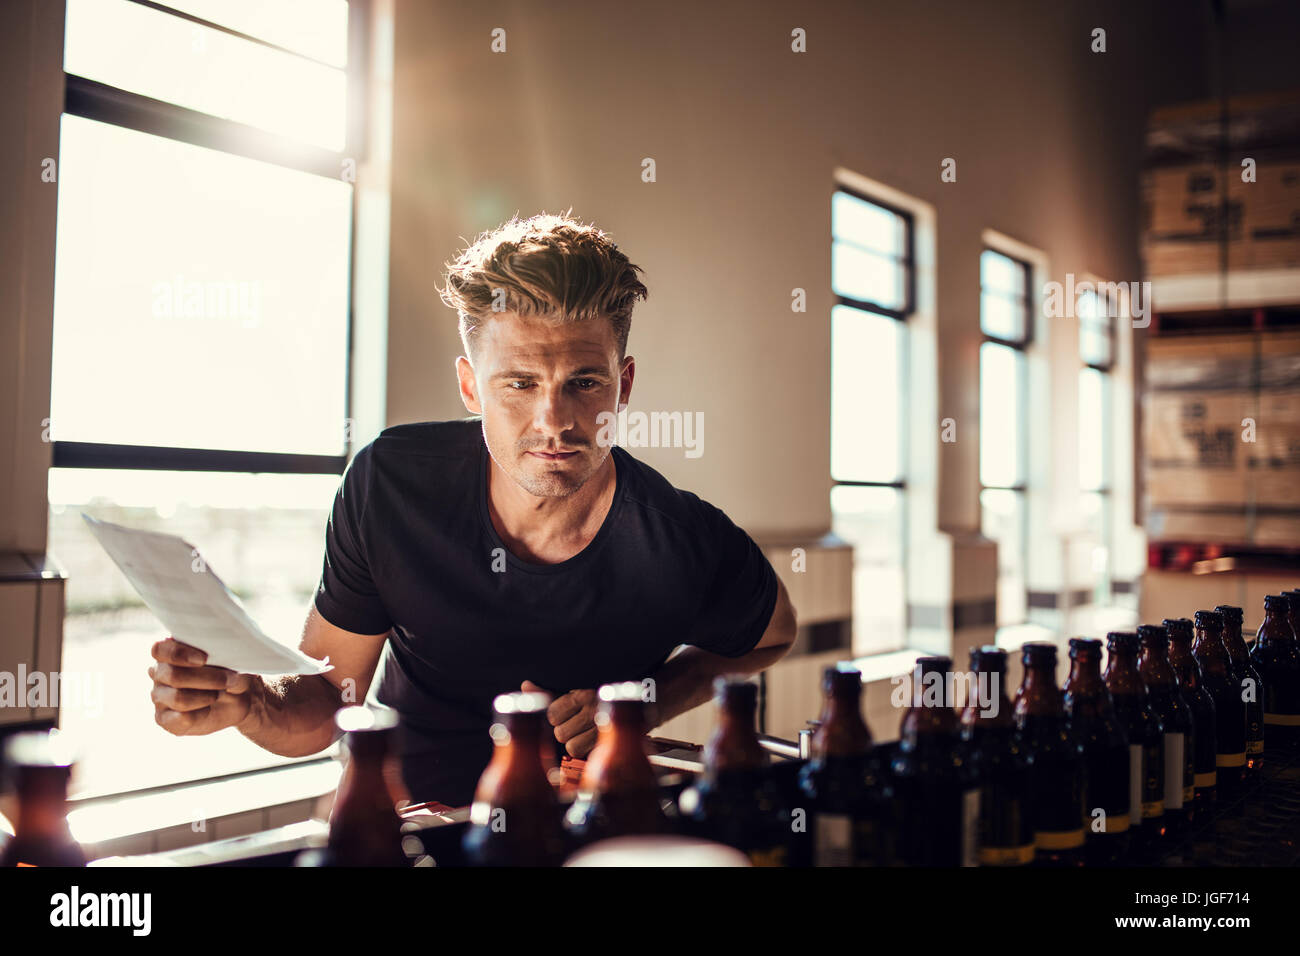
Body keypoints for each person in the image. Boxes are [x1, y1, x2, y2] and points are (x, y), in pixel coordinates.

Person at [148, 212, 798, 807]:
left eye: (584, 383)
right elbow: (328, 702)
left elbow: (775, 632)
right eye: (519, 383)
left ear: (622, 385)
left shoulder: (678, 539)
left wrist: (643, 704)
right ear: (470, 386)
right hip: (401, 827)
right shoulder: (391, 486)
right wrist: (251, 701)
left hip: (572, 836)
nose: (555, 421)